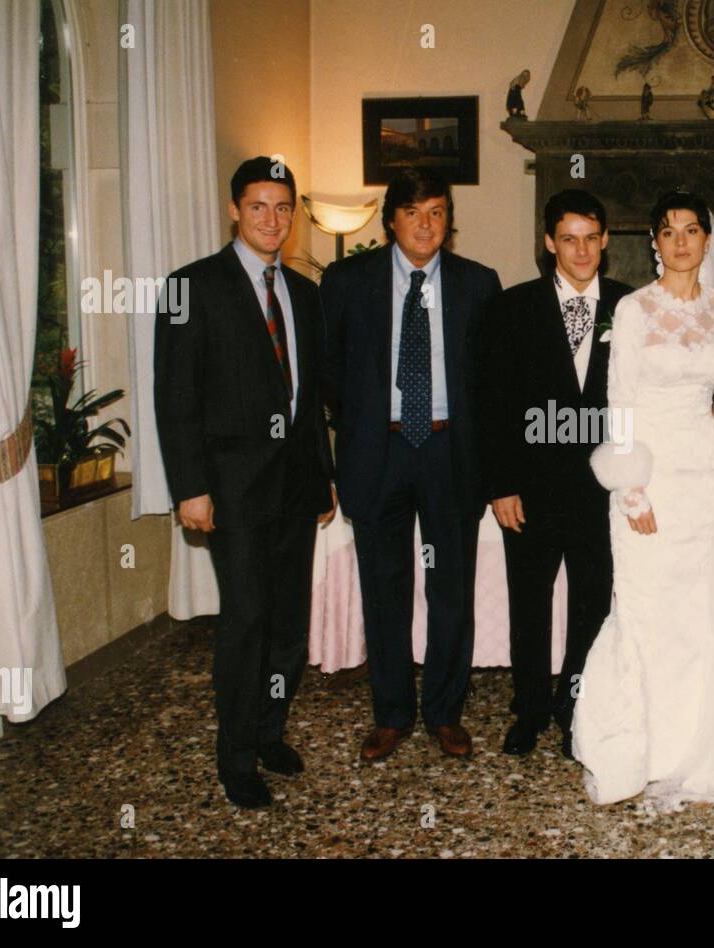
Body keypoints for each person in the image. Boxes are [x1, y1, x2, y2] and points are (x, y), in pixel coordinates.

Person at [479, 190, 714, 759]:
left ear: (606, 242)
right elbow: (491, 401)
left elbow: (677, 371)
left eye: (592, 238)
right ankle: (528, 710)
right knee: (530, 604)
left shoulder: (632, 304)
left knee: (593, 606)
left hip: (602, 489)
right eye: (569, 238)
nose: (582, 249)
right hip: (531, 489)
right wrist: (500, 485)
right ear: (549, 244)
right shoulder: (514, 306)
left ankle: (574, 708)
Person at [572, 190, 714, 811]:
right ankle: (640, 749)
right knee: (645, 609)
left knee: (702, 616)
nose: (681, 241)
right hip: (651, 485)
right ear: (654, 243)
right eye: (668, 231)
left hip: (706, 487)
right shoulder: (632, 310)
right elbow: (619, 403)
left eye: (692, 230)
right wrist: (630, 490)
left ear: (708, 241)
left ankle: (698, 749)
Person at [154, 156, 336, 808]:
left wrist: (324, 482)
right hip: (230, 490)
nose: (271, 219)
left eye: (282, 208)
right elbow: (175, 398)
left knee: (289, 626)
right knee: (247, 622)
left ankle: (268, 732)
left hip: (295, 488)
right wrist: (189, 487)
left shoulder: (305, 295)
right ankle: (235, 759)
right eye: (258, 206)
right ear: (235, 209)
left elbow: (309, 398)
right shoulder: (191, 287)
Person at [320, 167, 502, 763]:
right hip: (380, 452)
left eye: (438, 212)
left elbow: (492, 385)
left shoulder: (480, 284)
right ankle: (392, 713)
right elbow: (330, 375)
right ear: (391, 219)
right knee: (384, 587)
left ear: (449, 222)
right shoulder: (348, 282)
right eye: (414, 213)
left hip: (452, 453)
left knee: (451, 589)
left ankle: (445, 712)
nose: (426, 225)